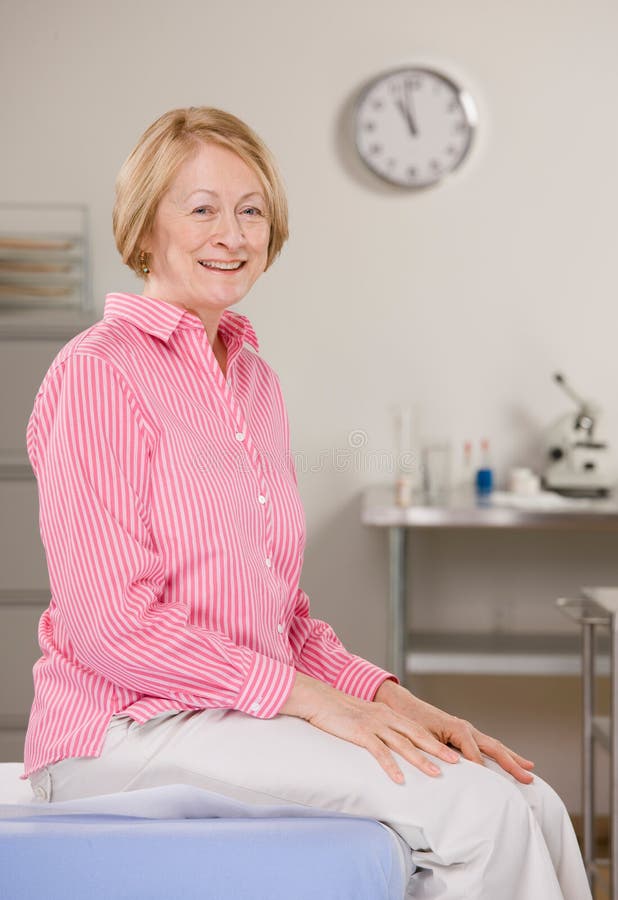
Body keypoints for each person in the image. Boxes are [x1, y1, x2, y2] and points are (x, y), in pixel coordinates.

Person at [24, 106, 591, 900]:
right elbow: (114, 628)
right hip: (127, 731)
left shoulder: (253, 382)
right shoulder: (98, 374)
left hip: (237, 716)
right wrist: (323, 709)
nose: (233, 232)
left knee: (530, 798)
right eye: (202, 208)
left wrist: (400, 704)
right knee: (479, 814)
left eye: (251, 210)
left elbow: (284, 622)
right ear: (145, 228)